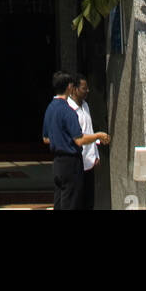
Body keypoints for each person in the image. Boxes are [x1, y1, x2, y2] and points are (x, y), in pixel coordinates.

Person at [42, 70, 109, 210]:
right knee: (72, 202)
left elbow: (46, 138)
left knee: (60, 201)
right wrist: (98, 136)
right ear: (69, 88)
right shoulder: (68, 111)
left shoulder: (50, 108)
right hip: (71, 162)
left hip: (58, 162)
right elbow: (79, 140)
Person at [68, 76, 100, 211]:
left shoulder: (85, 105)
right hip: (75, 162)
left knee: (89, 201)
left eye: (87, 88)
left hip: (89, 161)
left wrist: (96, 154)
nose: (87, 91)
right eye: (83, 88)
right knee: (76, 201)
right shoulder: (68, 108)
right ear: (74, 89)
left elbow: (89, 130)